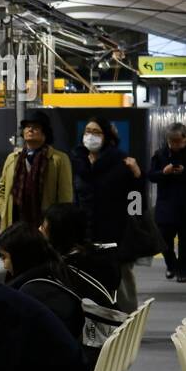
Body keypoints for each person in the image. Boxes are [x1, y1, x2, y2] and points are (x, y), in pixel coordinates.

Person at [72, 116, 142, 309]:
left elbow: (135, 199)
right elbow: (76, 199)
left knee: (122, 281)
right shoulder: (79, 163)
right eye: (87, 131)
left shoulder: (121, 162)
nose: (90, 136)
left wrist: (137, 176)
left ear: (107, 136)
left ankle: (128, 323)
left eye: (96, 132)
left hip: (116, 232)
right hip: (86, 233)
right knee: (90, 282)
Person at [0, 109, 73, 230]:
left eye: (36, 127)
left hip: (45, 226)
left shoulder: (58, 159)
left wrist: (57, 221)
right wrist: (1, 209)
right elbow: (1, 189)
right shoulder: (13, 158)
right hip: (15, 224)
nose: (30, 130)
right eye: (27, 127)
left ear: (45, 132)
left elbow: (65, 197)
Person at [41, 202, 121, 307]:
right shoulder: (100, 257)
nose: (39, 229)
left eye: (44, 227)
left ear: (57, 233)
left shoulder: (65, 272)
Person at [147, 122, 186, 281]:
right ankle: (171, 265)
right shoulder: (160, 155)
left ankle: (182, 271)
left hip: (185, 205)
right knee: (163, 240)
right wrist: (164, 172)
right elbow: (151, 175)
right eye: (172, 141)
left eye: (178, 141)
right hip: (166, 206)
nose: (175, 145)